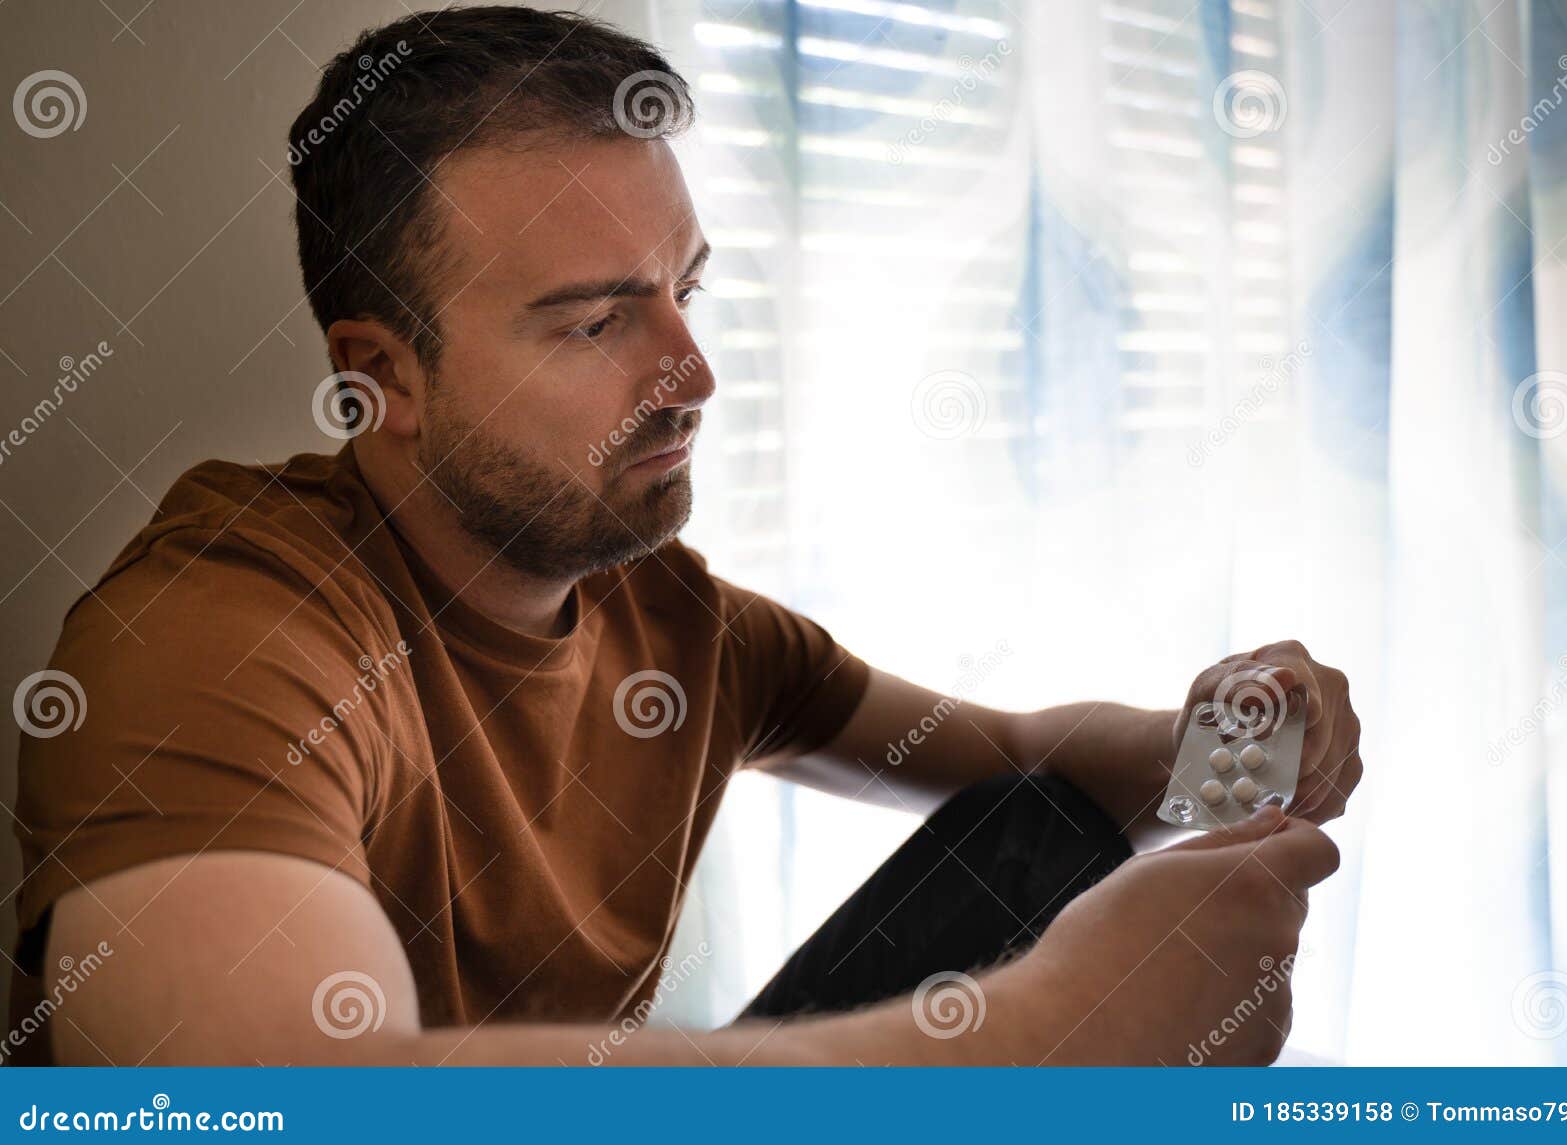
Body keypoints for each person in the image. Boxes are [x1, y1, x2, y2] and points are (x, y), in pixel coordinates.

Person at [6, 6, 1361, 1067]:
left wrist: (1237, 742)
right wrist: (1046, 1035)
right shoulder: (224, 628)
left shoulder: (681, 625)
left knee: (1031, 825)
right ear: (384, 376)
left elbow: (1009, 758)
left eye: (685, 290)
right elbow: (254, 1099)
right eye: (599, 322)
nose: (693, 373)